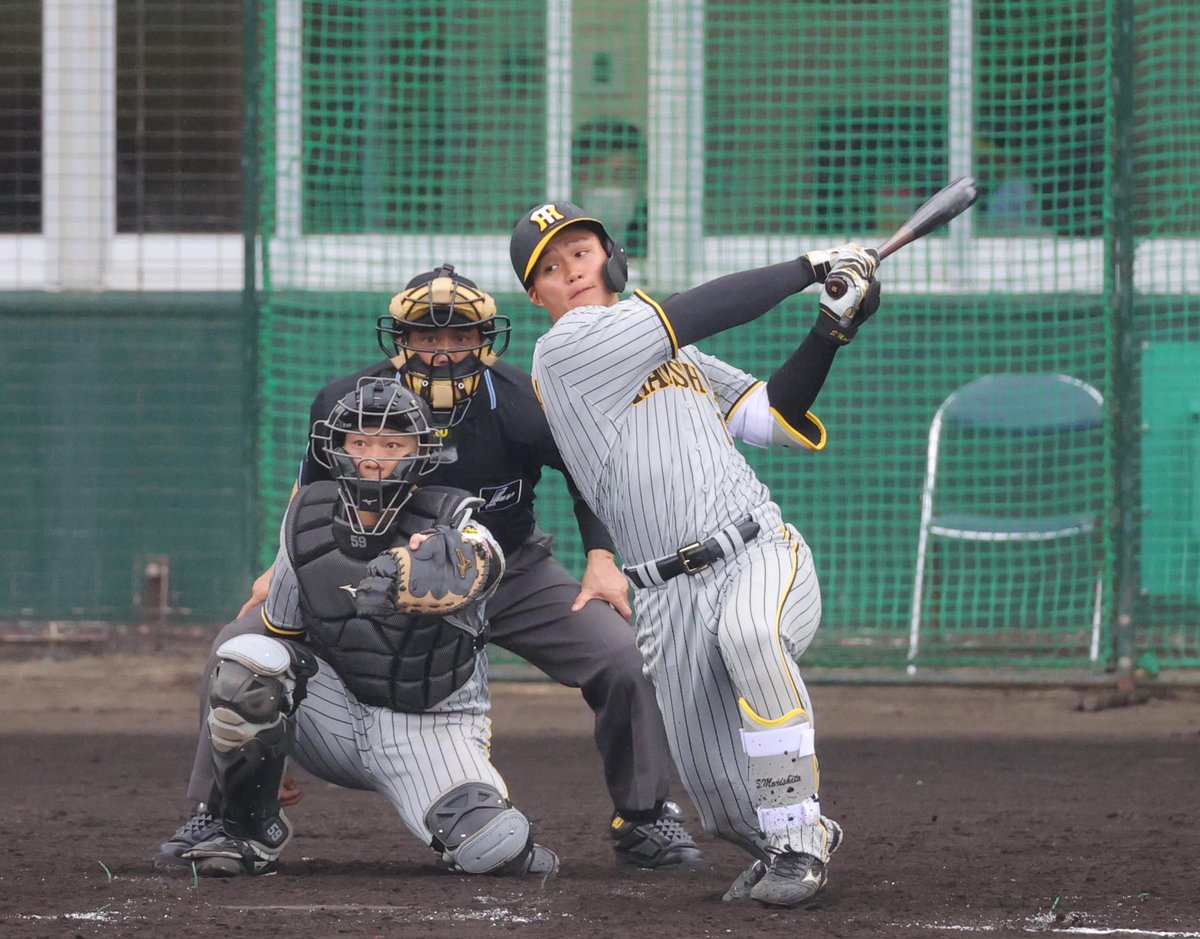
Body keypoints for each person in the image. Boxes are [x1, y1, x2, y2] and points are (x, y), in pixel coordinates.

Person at [157, 265, 702, 872]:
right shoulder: (349, 401)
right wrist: (280, 567)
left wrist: (601, 558)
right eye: (428, 336)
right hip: (373, 571)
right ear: (401, 339)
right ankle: (222, 810)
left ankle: (644, 818)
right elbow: (311, 492)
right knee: (238, 645)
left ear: (484, 339)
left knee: (623, 659)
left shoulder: (526, 401)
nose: (443, 352)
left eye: (459, 336)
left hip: (509, 571)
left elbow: (590, 478)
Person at [508, 201, 882, 907]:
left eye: (581, 253)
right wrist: (810, 266)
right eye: (550, 268)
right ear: (537, 296)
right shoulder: (565, 351)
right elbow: (695, 311)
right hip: (665, 596)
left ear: (610, 256)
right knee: (727, 811)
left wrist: (830, 330)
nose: (572, 272)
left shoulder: (674, 354)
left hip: (753, 548)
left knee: (752, 635)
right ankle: (790, 835)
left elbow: (770, 416)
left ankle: (800, 838)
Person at [181, 377, 558, 878]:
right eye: (359, 442)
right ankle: (250, 832)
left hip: (430, 728)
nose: (374, 459)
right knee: (245, 661)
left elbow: (482, 561)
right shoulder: (306, 521)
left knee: (493, 849)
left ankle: (506, 842)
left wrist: (444, 566)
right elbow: (282, 641)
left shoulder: (456, 521)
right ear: (336, 449)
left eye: (392, 445)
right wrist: (270, 755)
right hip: (333, 715)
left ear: (421, 453)